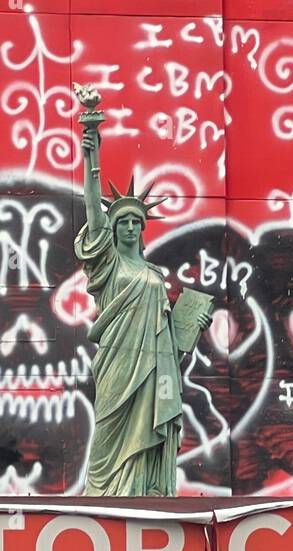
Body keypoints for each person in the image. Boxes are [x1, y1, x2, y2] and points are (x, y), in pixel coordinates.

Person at [76, 122, 213, 496]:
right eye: (124, 221)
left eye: (137, 221)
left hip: (154, 364)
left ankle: (147, 487)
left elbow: (167, 338)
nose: (131, 227)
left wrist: (192, 325)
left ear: (143, 228)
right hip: (117, 364)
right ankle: (104, 492)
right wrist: (92, 157)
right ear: (114, 227)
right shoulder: (108, 265)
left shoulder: (153, 273)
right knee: (108, 431)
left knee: (152, 424)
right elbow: (92, 209)